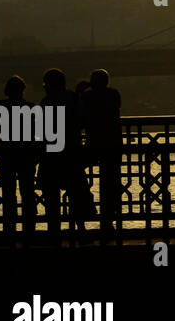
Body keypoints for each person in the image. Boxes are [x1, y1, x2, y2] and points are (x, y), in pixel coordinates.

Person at [38, 68, 92, 243]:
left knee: (51, 195)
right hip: (72, 152)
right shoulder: (73, 98)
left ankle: (54, 233)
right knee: (76, 193)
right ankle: (80, 230)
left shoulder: (46, 102)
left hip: (52, 154)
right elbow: (82, 120)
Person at [0, 76, 39, 243]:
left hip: (6, 155)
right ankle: (30, 233)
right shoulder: (31, 108)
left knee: (8, 195)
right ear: (23, 90)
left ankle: (9, 232)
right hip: (27, 156)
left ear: (7, 91)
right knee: (27, 193)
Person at [80, 68, 123, 240]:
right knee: (110, 182)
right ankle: (108, 221)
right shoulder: (114, 94)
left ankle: (84, 215)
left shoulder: (87, 97)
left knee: (75, 171)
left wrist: (82, 91)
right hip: (112, 144)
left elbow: (81, 114)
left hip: (94, 143)